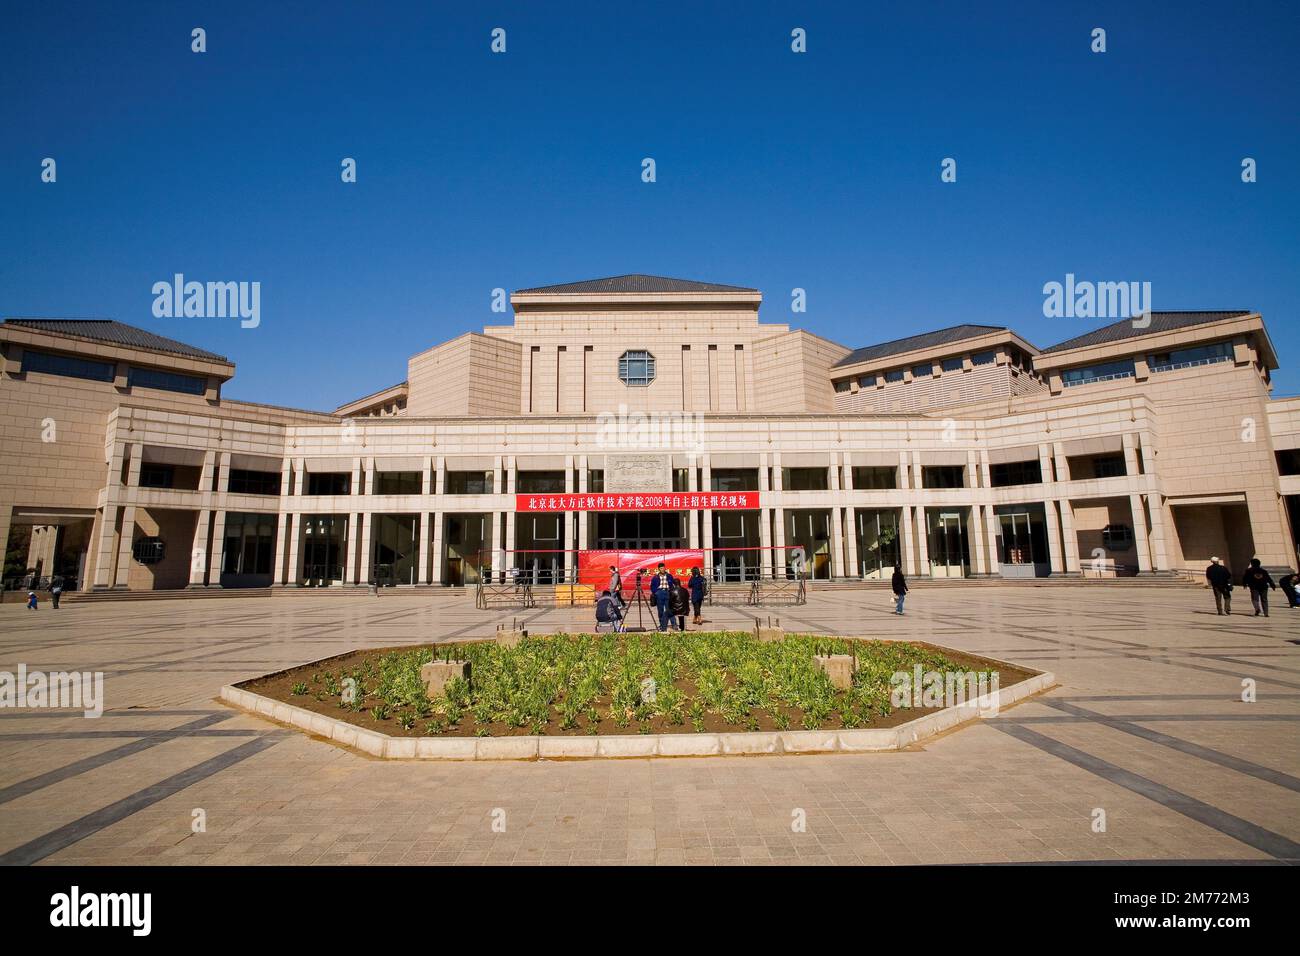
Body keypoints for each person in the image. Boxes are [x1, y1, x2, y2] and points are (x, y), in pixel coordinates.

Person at [648, 562, 677, 632]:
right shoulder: (655, 577)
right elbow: (652, 586)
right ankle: (662, 625)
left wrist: (672, 591)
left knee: (669, 609)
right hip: (659, 593)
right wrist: (656, 592)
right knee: (660, 610)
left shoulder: (669, 576)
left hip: (667, 592)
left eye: (663, 568)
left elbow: (673, 584)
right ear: (658, 569)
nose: (663, 569)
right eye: (661, 568)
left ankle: (674, 624)